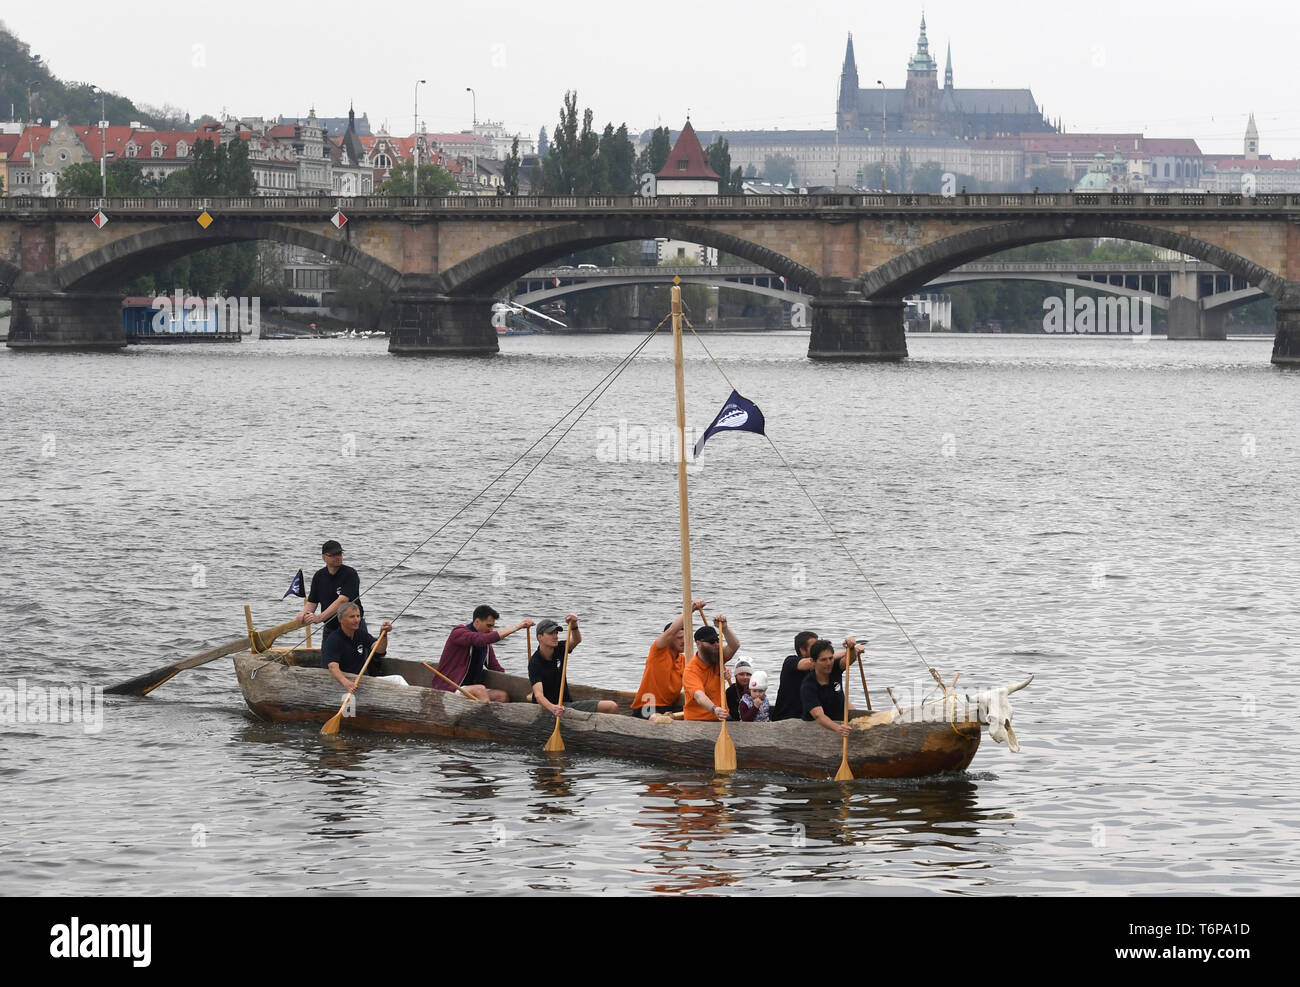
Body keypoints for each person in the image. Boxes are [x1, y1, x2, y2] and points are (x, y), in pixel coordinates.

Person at [433, 604, 533, 703]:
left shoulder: (486, 645)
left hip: (470, 690)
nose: (491, 630)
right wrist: (517, 627)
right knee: (480, 690)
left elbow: (496, 668)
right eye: (488, 626)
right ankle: (485, 717)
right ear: (477, 622)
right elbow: (480, 639)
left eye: (493, 626)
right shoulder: (459, 633)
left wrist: (517, 684)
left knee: (502, 696)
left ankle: (486, 715)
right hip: (450, 688)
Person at [529, 615, 618, 715]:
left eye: (556, 633)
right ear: (540, 637)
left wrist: (574, 624)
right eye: (551, 633)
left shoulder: (560, 648)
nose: (555, 636)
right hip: (546, 708)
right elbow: (538, 695)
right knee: (611, 706)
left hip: (565, 704)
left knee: (612, 706)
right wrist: (553, 708)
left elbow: (576, 640)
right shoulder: (535, 662)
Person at [631, 599, 706, 717]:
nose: (684, 641)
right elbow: (671, 631)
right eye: (679, 638)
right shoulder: (658, 651)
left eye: (685, 637)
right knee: (656, 718)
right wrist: (691, 609)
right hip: (647, 705)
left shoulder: (685, 660)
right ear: (669, 639)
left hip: (669, 707)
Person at [323, 602, 394, 692]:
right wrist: (346, 683)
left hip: (363, 680)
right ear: (341, 619)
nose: (356, 620)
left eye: (358, 616)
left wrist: (383, 634)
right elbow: (333, 666)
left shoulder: (359, 633)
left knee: (397, 680)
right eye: (352, 617)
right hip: (348, 682)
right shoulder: (334, 639)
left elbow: (379, 650)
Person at [299, 540, 362, 641]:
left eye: (339, 554)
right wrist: (304, 614)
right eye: (333, 555)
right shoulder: (319, 576)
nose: (338, 557)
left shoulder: (350, 574)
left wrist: (319, 618)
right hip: (330, 628)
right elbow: (312, 601)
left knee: (357, 657)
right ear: (324, 557)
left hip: (353, 627)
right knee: (327, 657)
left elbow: (342, 601)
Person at [800, 637, 863, 736]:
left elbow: (849, 659)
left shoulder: (835, 668)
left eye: (830, 658)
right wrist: (838, 728)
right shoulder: (808, 685)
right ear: (813, 661)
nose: (829, 663)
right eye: (823, 660)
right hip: (817, 730)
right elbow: (818, 716)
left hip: (841, 722)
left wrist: (851, 648)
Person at [683, 614, 741, 722]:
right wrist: (715, 709)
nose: (716, 644)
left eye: (717, 640)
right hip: (698, 721)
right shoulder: (691, 670)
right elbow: (699, 696)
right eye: (711, 642)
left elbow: (735, 645)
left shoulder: (717, 656)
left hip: (721, 716)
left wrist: (725, 628)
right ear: (699, 644)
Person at [772, 630, 820, 721]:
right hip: (784, 720)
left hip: (806, 721)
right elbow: (809, 663)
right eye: (814, 647)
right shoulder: (790, 662)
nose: (818, 649)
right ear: (802, 650)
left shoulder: (818, 670)